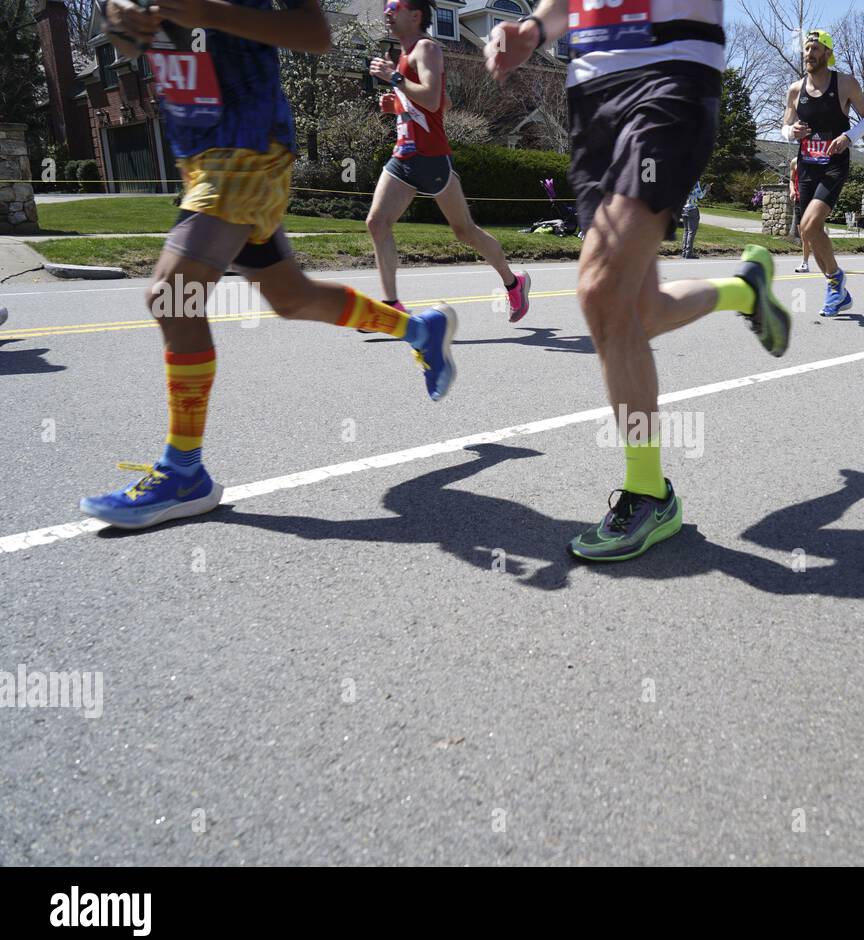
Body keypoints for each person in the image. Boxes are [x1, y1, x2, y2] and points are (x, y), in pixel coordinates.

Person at [80, 0, 457, 530]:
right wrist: (119, 22)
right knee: (292, 298)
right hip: (199, 154)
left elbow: (312, 32)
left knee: (171, 294)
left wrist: (206, 13)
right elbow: (133, 43)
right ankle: (419, 328)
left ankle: (184, 470)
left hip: (248, 145)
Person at [485, 0, 791, 561]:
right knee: (636, 312)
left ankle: (649, 491)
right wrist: (535, 27)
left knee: (601, 293)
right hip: (592, 100)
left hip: (668, 73)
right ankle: (744, 289)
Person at [365, 0, 529, 321]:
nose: (386, 11)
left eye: (393, 6)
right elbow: (444, 103)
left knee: (464, 231)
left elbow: (430, 97)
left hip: (431, 157)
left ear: (415, 15)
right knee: (377, 223)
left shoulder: (427, 49)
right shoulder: (403, 56)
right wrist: (397, 106)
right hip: (404, 156)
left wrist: (395, 81)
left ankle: (513, 283)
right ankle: (393, 306)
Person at [782, 29, 864, 315]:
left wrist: (849, 136)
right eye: (806, 49)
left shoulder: (845, 83)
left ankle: (836, 280)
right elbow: (784, 126)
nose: (808, 53)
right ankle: (837, 289)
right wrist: (791, 131)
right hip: (807, 165)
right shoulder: (796, 90)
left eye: (814, 48)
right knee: (810, 232)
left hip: (834, 164)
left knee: (809, 226)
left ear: (827, 53)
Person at [789, 156, 810, 272]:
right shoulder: (794, 162)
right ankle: (805, 263)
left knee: (810, 233)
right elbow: (792, 179)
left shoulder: (815, 160)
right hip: (798, 200)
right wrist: (792, 191)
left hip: (812, 200)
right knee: (803, 234)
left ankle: (825, 260)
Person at [680, 180, 707, 259]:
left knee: (686, 231)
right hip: (692, 209)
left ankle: (684, 252)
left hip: (684, 208)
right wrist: (706, 189)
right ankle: (688, 253)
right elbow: (700, 196)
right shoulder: (695, 182)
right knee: (691, 232)